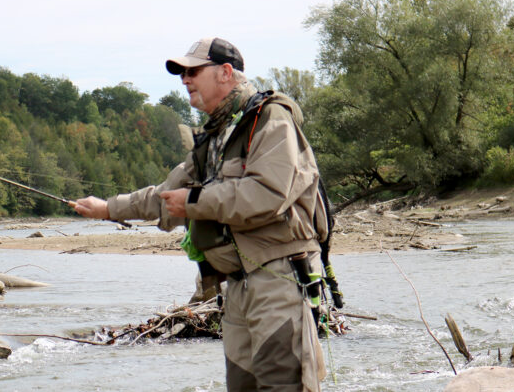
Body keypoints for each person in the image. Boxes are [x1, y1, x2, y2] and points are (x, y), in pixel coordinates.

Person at [74, 37, 329, 391]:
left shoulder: (271, 119)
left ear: (226, 73)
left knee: (283, 384)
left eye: (193, 71)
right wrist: (106, 208)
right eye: (182, 73)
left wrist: (194, 202)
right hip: (238, 285)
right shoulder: (213, 138)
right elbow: (166, 195)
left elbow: (268, 194)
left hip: (280, 277)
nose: (184, 80)